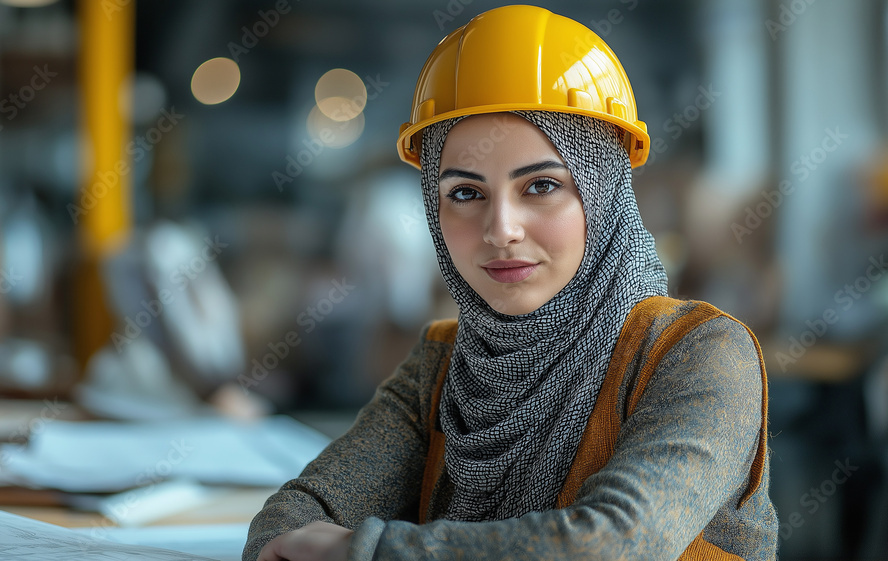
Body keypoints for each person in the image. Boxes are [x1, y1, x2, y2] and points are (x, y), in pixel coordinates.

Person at [243, 5, 778, 560]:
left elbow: (611, 546)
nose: (500, 231)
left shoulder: (700, 354)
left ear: (605, 192)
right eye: (466, 194)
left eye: (541, 186)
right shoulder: (442, 366)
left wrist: (365, 552)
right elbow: (289, 519)